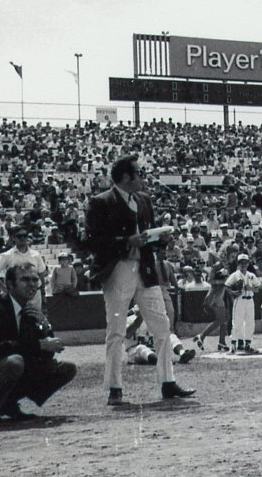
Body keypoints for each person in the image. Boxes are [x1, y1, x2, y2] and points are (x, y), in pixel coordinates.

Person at [84, 154, 195, 406]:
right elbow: (92, 241)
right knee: (116, 330)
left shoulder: (144, 200)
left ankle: (167, 381)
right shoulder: (100, 202)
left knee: (162, 326)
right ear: (126, 177)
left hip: (145, 268)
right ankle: (114, 386)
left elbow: (149, 233)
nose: (143, 177)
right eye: (138, 173)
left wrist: (160, 239)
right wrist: (125, 242)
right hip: (118, 269)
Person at [0, 263, 76, 427]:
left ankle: (7, 403)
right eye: (25, 279)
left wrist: (45, 325)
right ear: (10, 284)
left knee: (66, 368)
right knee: (15, 362)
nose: (32, 284)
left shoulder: (30, 312)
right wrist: (39, 344)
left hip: (8, 369)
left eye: (34, 279)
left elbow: (47, 353)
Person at [0, 227, 48, 307]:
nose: (22, 238)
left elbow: (41, 275)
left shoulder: (36, 255)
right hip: (16, 295)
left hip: (34, 294)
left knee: (35, 318)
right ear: (13, 238)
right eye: (19, 236)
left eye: (24, 235)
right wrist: (3, 289)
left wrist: (43, 294)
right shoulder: (7, 255)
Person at [225, 253, 261, 353]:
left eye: (245, 262)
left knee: (250, 323)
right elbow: (227, 286)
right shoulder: (235, 275)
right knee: (237, 323)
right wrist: (234, 292)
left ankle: (247, 345)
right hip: (240, 299)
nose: (243, 265)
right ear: (238, 263)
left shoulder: (251, 275)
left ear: (248, 263)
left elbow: (258, 289)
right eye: (241, 263)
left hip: (250, 300)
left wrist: (251, 288)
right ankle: (233, 345)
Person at [195, 268, 232, 351]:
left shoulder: (219, 283)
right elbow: (210, 293)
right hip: (217, 302)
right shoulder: (219, 283)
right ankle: (202, 336)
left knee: (224, 321)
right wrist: (207, 304)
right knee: (220, 320)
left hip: (219, 301)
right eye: (226, 276)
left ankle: (222, 342)